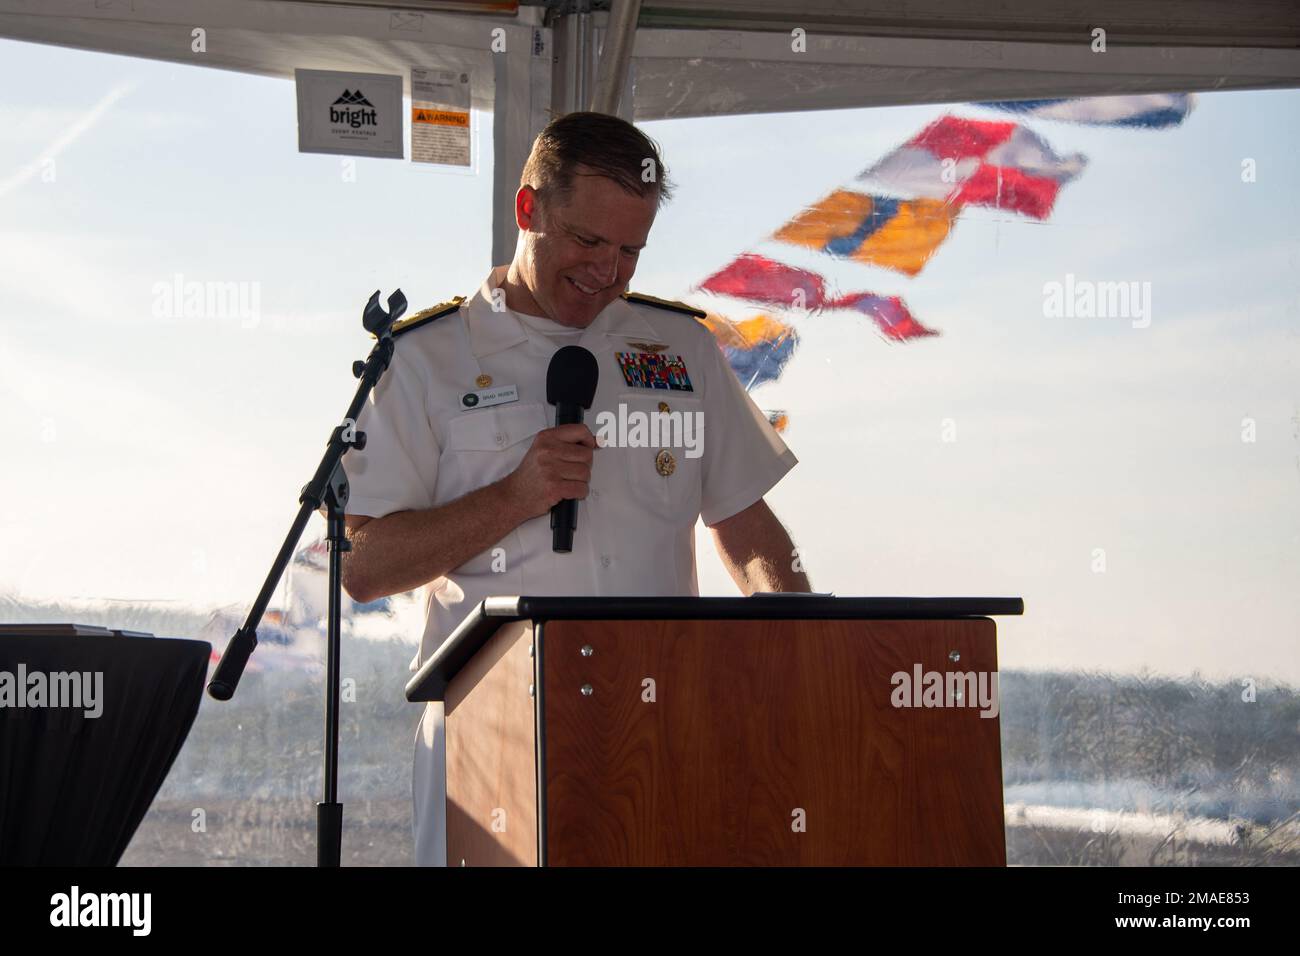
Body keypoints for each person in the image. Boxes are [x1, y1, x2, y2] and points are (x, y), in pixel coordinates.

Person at [340, 111, 811, 866]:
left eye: (630, 250)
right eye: (588, 241)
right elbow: (362, 567)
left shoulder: (681, 348)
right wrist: (512, 498)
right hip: (489, 744)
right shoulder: (427, 358)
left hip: (655, 730)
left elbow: (744, 521)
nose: (607, 271)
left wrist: (805, 643)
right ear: (528, 210)